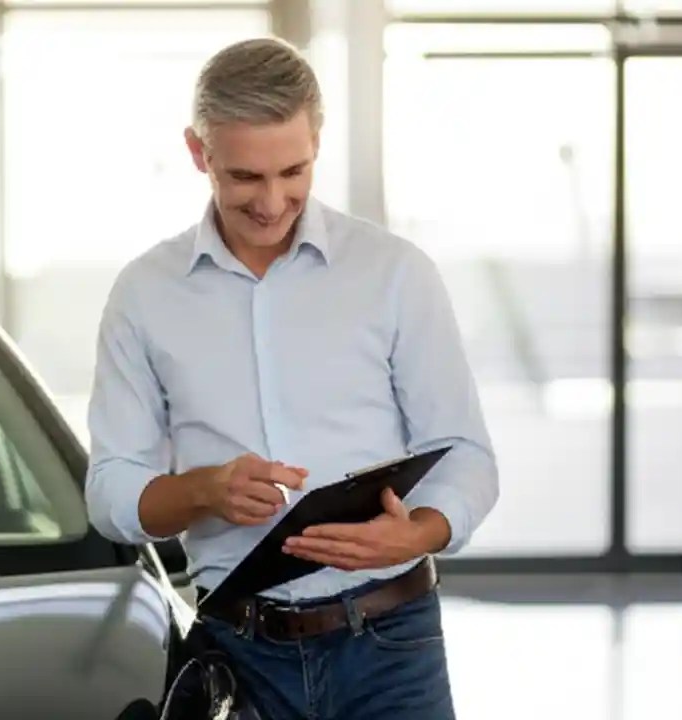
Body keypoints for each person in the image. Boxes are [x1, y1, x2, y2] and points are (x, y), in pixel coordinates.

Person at [83, 37, 499, 720]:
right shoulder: (145, 295)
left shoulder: (395, 274)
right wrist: (202, 491)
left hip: (392, 645)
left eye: (294, 171)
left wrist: (417, 533)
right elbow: (110, 490)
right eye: (246, 177)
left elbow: (468, 455)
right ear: (199, 152)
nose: (273, 202)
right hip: (239, 657)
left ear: (316, 145)